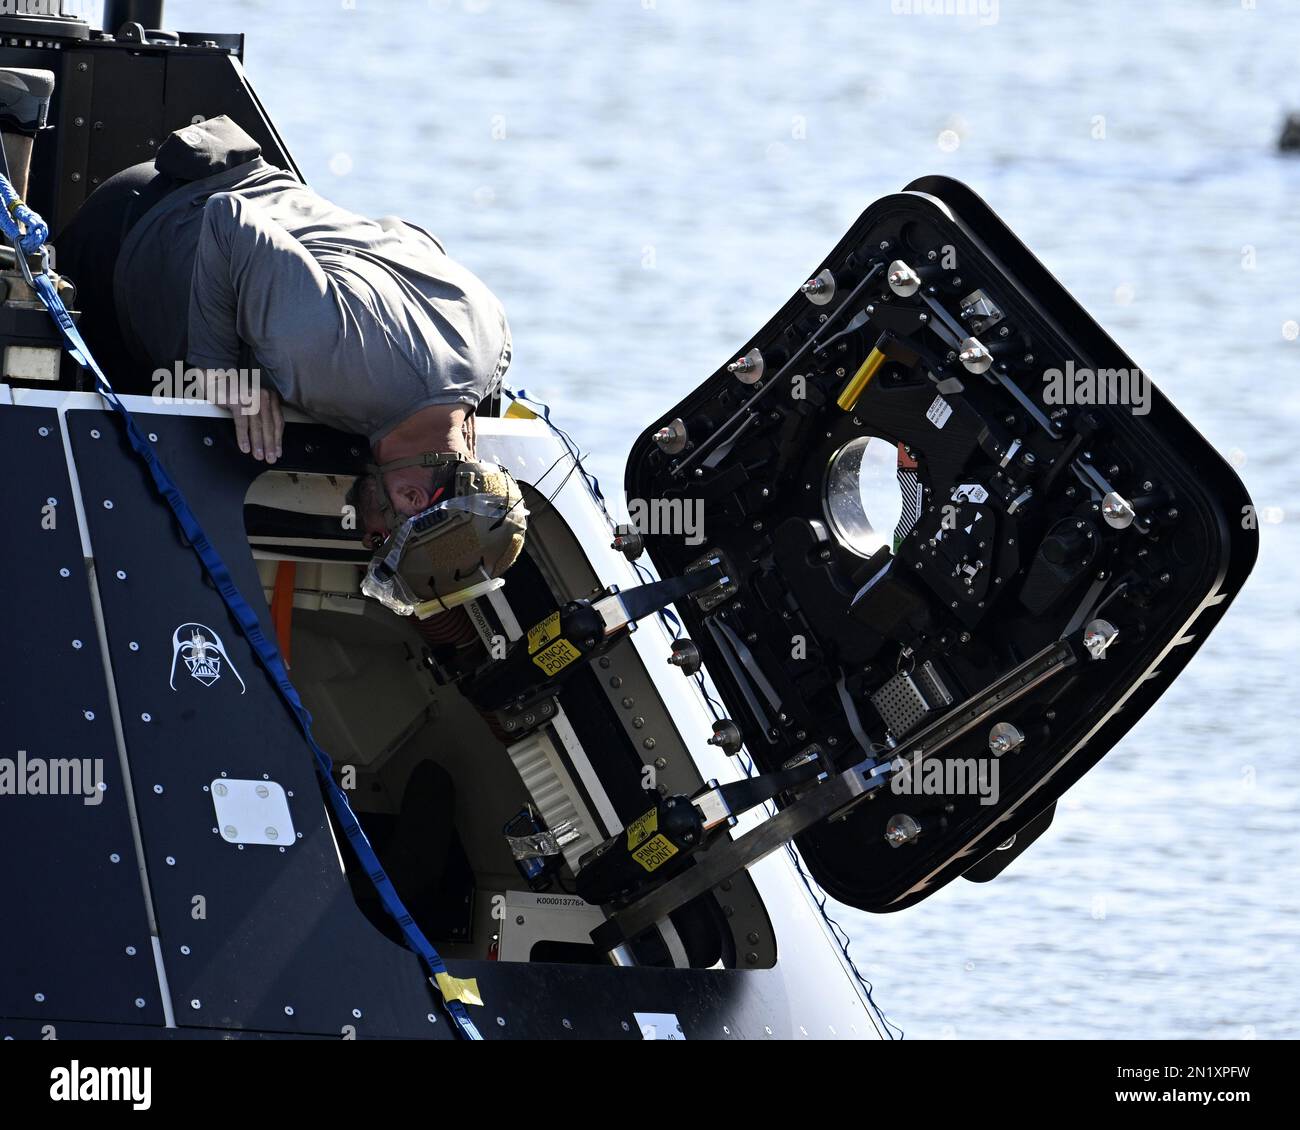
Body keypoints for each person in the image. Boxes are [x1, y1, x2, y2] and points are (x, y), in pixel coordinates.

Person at [55, 114, 526, 613]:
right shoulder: (331, 358)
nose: (369, 535)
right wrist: (220, 375)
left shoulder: (492, 347)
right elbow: (228, 220)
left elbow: (408, 236)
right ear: (411, 497)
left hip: (262, 193)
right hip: (134, 225)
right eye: (380, 538)